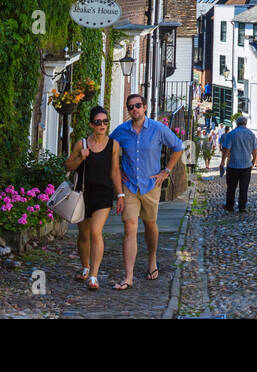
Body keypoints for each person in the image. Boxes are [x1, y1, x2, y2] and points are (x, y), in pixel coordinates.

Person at [109, 93, 185, 290]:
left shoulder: (158, 129)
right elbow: (109, 149)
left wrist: (166, 171)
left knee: (150, 226)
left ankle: (152, 259)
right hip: (130, 186)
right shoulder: (121, 131)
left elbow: (178, 146)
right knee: (130, 227)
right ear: (128, 110)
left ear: (145, 108)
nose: (134, 109)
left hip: (151, 185)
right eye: (131, 107)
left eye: (138, 105)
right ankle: (129, 277)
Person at [64, 105, 121, 291]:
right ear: (91, 124)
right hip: (83, 194)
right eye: (98, 122)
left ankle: (94, 276)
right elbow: (69, 166)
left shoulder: (113, 145)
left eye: (105, 121)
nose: (102, 125)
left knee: (96, 232)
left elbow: (114, 171)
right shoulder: (82, 144)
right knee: (83, 234)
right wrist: (81, 157)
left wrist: (119, 194)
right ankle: (85, 267)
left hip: (103, 194)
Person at [219, 116, 257, 212]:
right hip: (246, 165)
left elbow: (226, 149)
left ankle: (230, 205)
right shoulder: (251, 134)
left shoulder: (232, 134)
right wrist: (254, 161)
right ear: (245, 123)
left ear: (237, 123)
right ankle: (242, 206)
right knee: (244, 186)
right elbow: (255, 150)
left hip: (233, 164)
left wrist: (222, 162)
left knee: (231, 187)